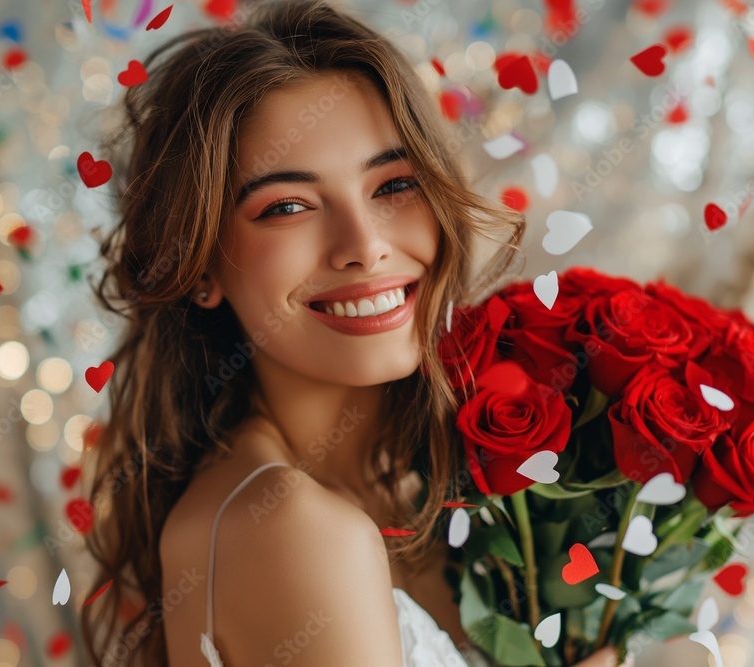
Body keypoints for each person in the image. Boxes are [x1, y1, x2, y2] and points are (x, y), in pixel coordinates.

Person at [79, 1, 627, 665]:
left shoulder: (428, 476)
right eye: (287, 206)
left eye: (394, 184)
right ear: (200, 264)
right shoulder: (288, 524)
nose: (364, 247)